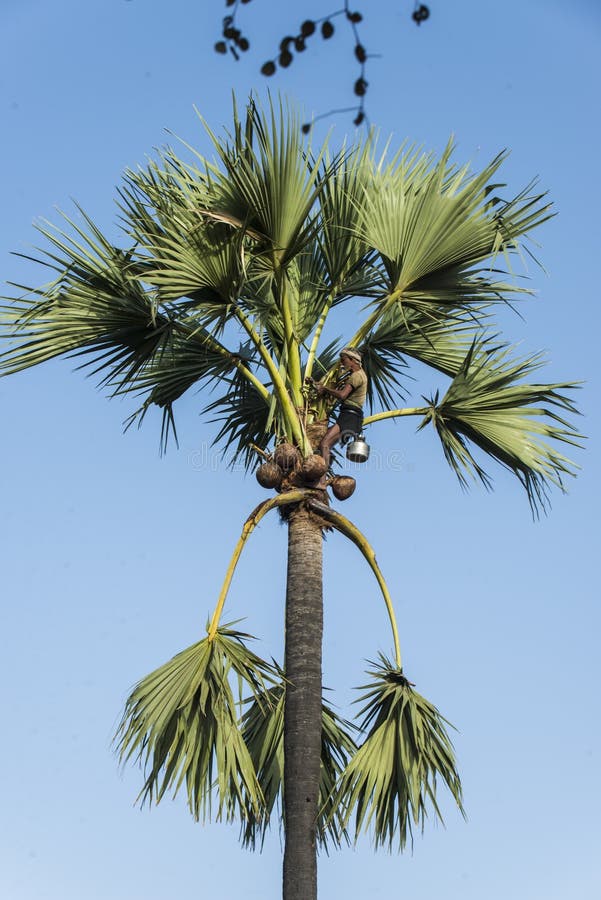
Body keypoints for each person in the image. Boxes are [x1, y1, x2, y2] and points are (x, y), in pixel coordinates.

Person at [313, 347, 368, 470]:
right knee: (324, 442)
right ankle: (327, 462)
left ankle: (321, 481)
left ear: (352, 360)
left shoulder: (356, 376)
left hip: (350, 416)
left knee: (324, 444)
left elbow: (342, 395)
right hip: (351, 417)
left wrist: (325, 388)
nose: (342, 363)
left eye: (343, 360)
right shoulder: (360, 375)